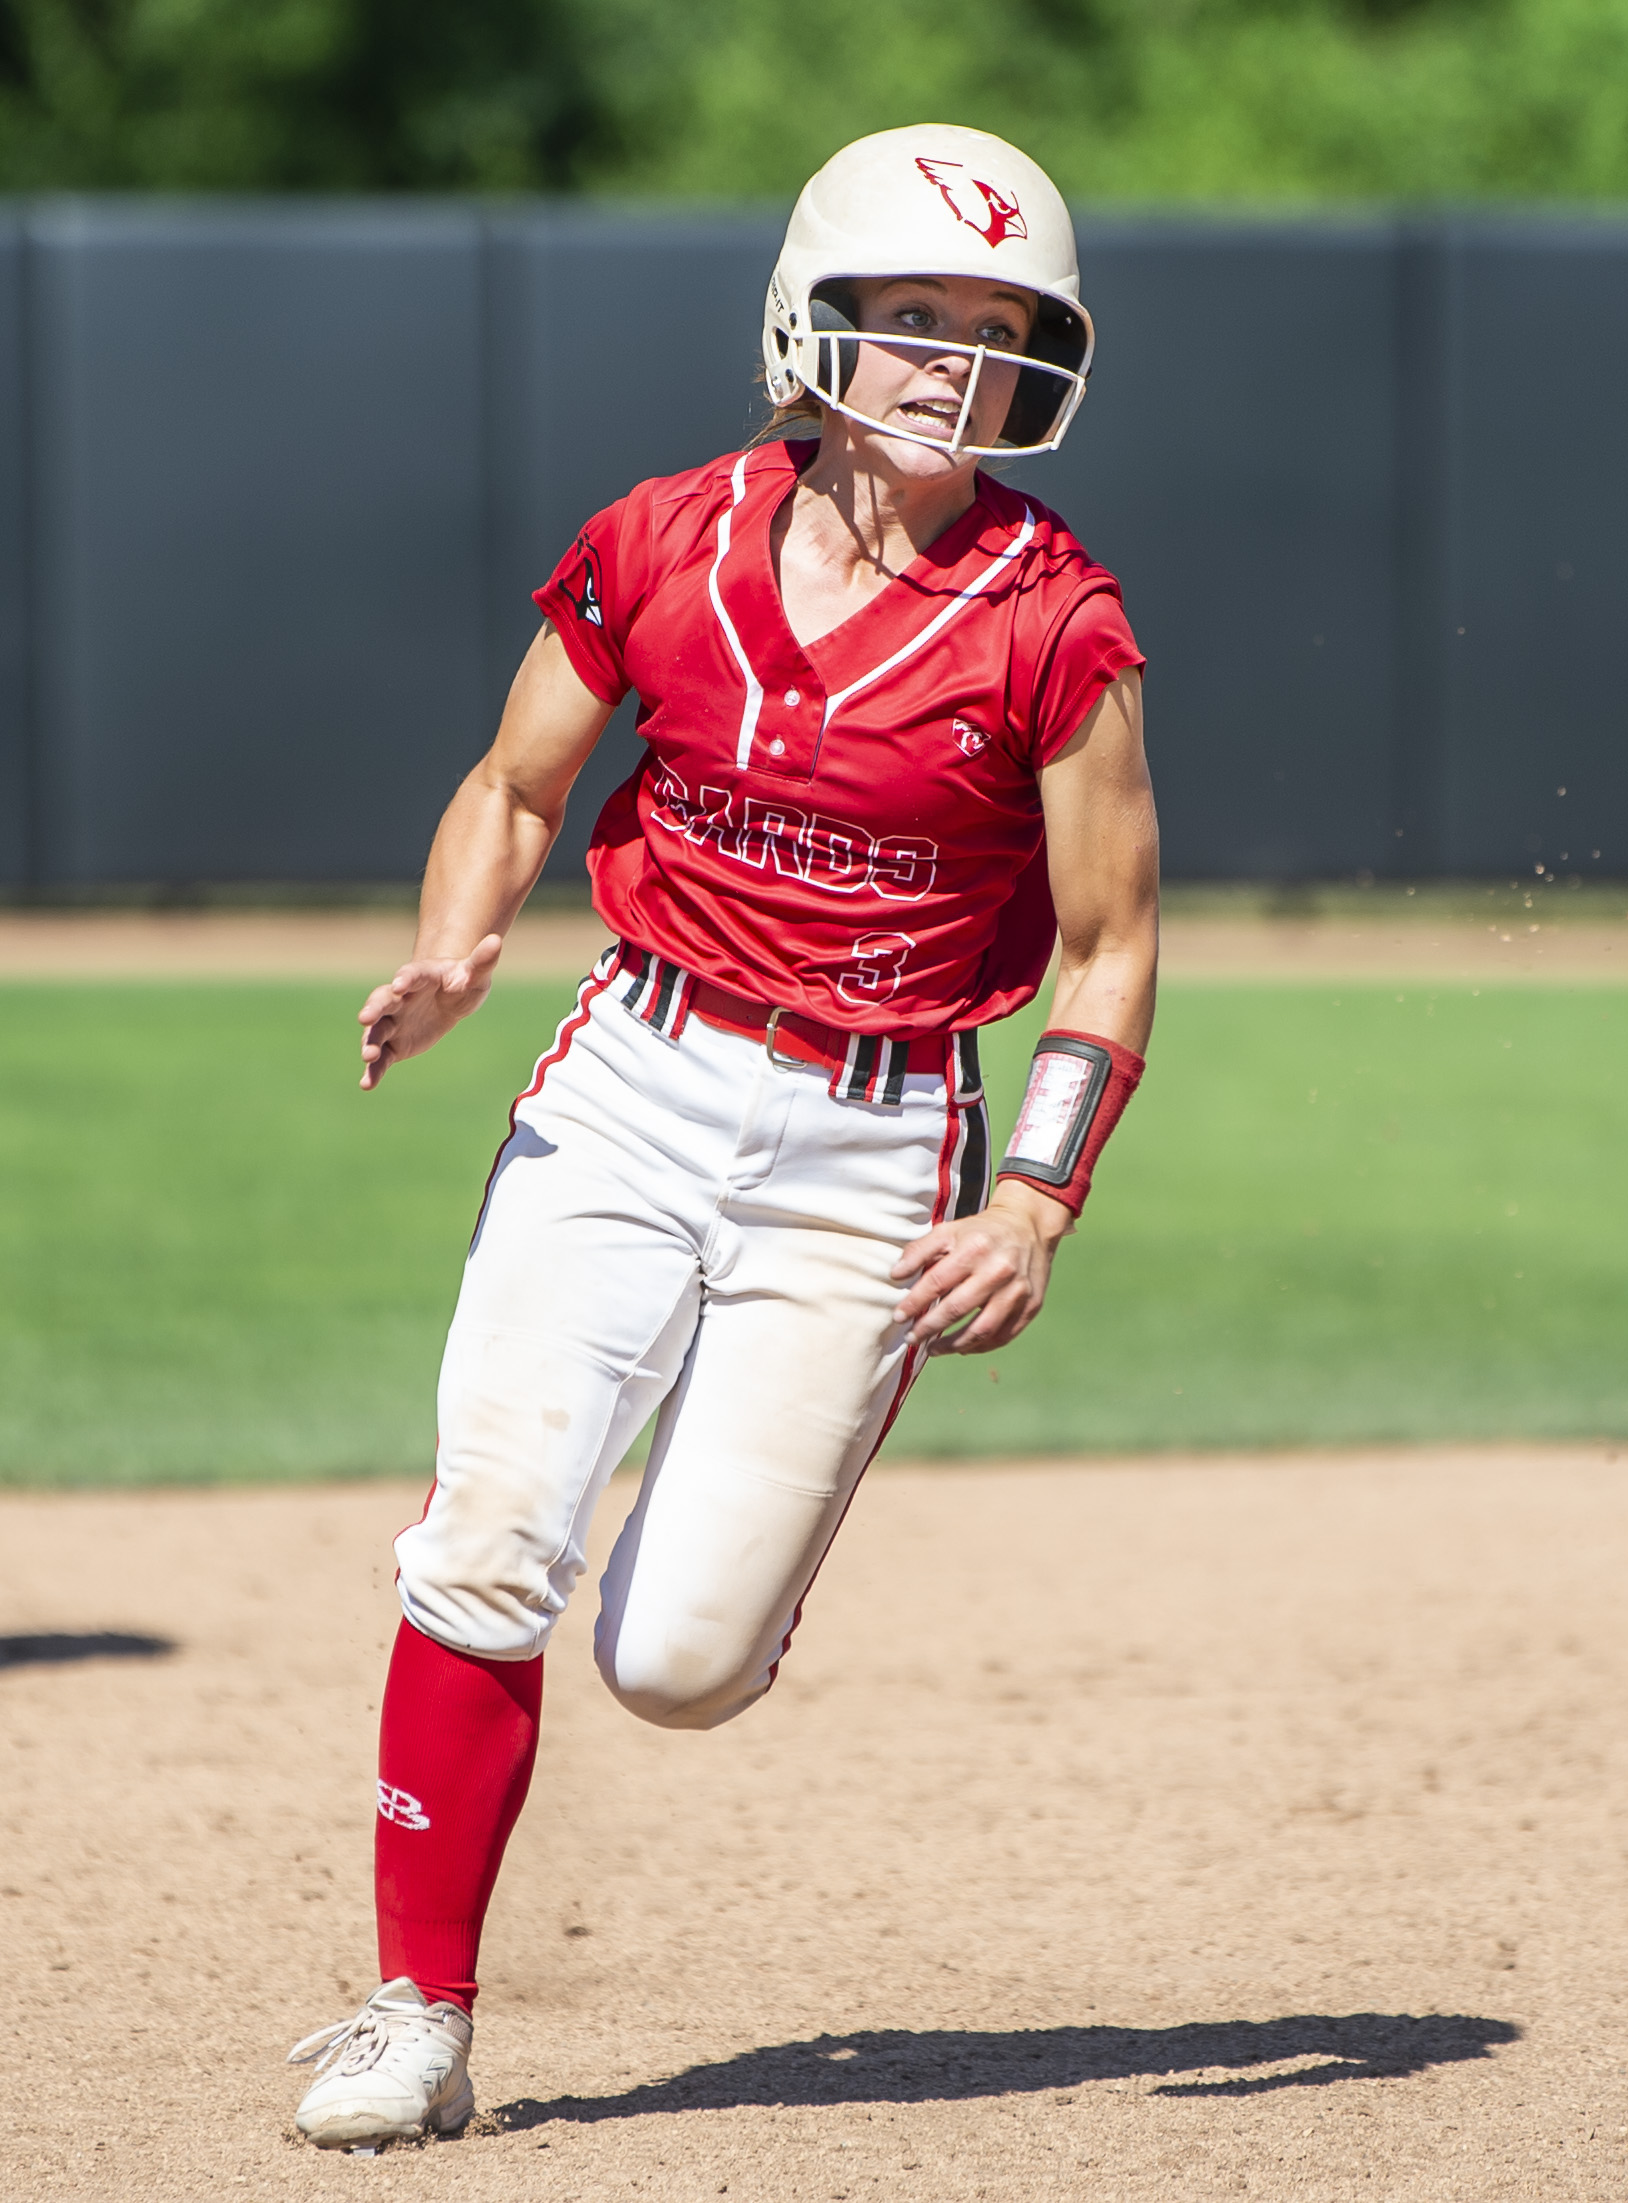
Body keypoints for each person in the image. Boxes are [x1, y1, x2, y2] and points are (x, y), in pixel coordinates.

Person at [282, 123, 1159, 2150]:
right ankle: (416, 2014)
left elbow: (1108, 946)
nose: (953, 363)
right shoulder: (662, 539)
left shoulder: (1056, 624)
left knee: (674, 1662)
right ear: (811, 318)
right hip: (636, 1072)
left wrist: (1036, 1194)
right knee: (487, 1531)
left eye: (997, 330)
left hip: (874, 1139)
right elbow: (514, 789)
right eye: (915, 317)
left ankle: (716, 1571)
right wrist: (453, 948)